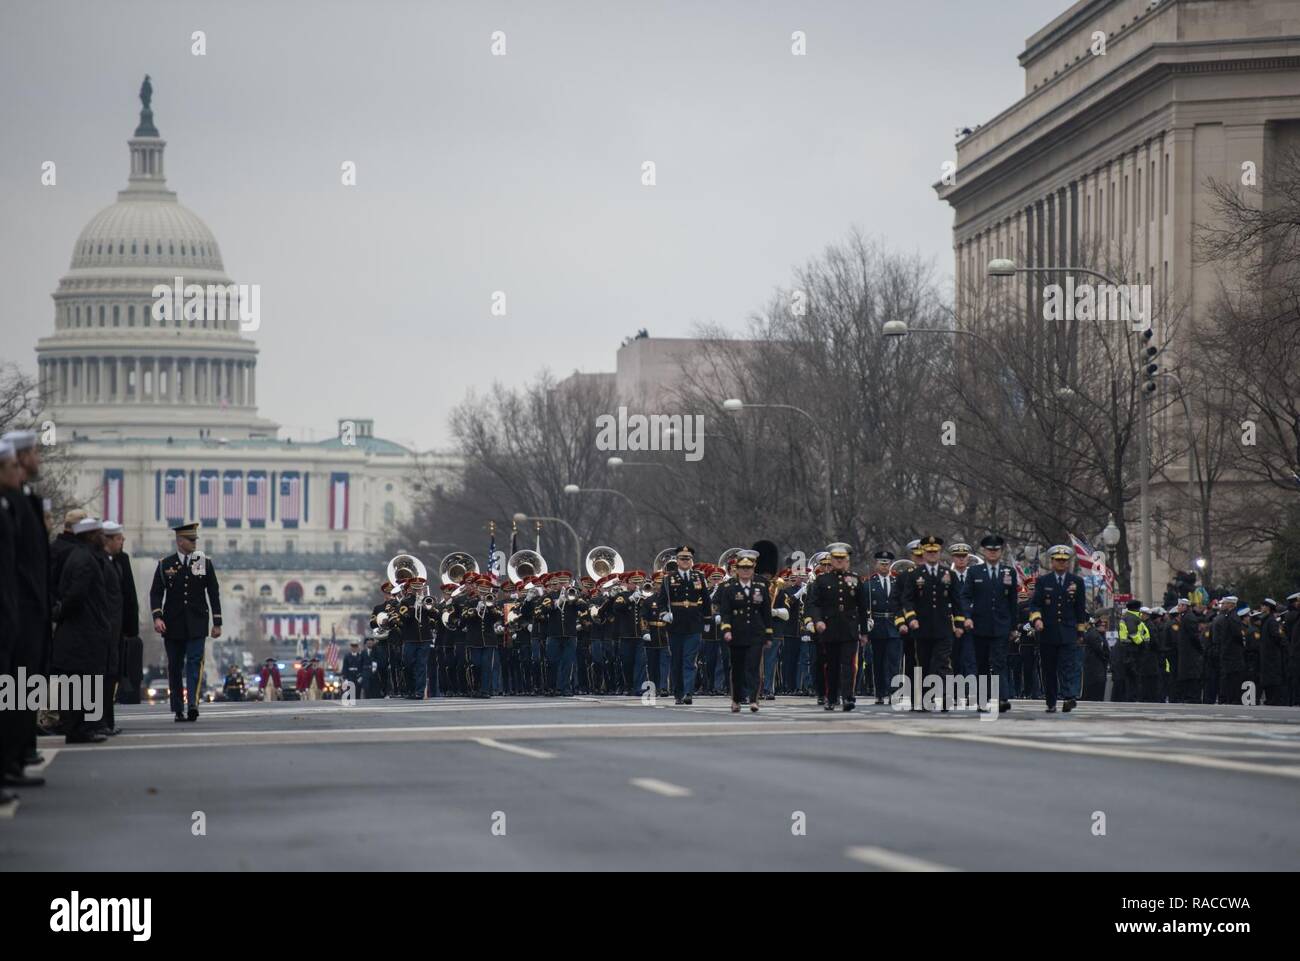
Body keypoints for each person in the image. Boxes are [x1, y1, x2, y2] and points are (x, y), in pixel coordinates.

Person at [1, 429, 50, 778]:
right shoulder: (11, 502)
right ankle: (11, 759)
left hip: (26, 608)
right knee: (15, 687)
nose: (36, 458)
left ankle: (18, 754)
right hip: (18, 607)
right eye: (32, 452)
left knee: (24, 686)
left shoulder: (23, 497)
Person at [149, 521, 222, 722]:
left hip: (197, 623)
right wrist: (157, 617)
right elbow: (156, 593)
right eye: (190, 540)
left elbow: (213, 592)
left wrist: (217, 621)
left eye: (195, 539)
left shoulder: (202, 562)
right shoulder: (166, 564)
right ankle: (178, 707)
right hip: (173, 624)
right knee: (174, 666)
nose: (194, 543)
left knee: (194, 663)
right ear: (180, 541)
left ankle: (192, 704)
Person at [51, 517, 110, 743]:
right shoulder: (85, 559)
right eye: (100, 533)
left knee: (79, 682)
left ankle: (79, 728)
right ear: (90, 536)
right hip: (83, 632)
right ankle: (80, 729)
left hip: (82, 631)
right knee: (82, 682)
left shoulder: (83, 556)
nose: (103, 537)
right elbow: (75, 595)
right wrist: (61, 612)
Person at [900, 536, 966, 711]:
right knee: (924, 664)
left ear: (939, 553)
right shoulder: (915, 574)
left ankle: (946, 697)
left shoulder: (948, 574)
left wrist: (959, 624)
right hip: (921, 629)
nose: (931, 555)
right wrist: (911, 618)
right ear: (924, 552)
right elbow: (907, 599)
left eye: (934, 552)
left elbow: (957, 601)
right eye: (928, 552)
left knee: (942, 663)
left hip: (943, 628)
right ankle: (924, 699)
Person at [805, 542, 871, 712]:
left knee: (848, 664)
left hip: (849, 628)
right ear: (831, 560)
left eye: (843, 558)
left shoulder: (855, 580)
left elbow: (863, 608)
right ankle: (831, 697)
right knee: (831, 665)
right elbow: (813, 604)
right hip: (829, 628)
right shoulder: (822, 580)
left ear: (847, 560)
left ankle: (848, 696)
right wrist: (817, 620)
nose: (840, 561)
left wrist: (864, 632)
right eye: (836, 558)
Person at [963, 534, 1018, 712]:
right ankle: (982, 699)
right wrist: (967, 616)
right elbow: (965, 596)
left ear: (1000, 552)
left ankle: (1002, 698)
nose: (993, 553)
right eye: (989, 550)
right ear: (984, 551)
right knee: (982, 664)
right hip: (979, 624)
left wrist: (1014, 626)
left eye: (996, 550)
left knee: (1000, 662)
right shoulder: (974, 572)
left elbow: (1013, 601)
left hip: (1001, 624)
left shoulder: (1008, 572)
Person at [1028, 544, 1086, 713]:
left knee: (1068, 666)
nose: (1061, 563)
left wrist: (1080, 631)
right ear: (1052, 561)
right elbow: (1035, 605)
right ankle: (1051, 701)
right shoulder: (1043, 581)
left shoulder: (1077, 582)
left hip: (1068, 631)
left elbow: (1080, 609)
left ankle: (1069, 697)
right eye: (1058, 560)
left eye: (1064, 561)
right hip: (1048, 632)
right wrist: (1037, 620)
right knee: (1049, 668)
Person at [716, 550, 773, 713]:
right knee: (738, 668)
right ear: (737, 569)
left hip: (756, 633)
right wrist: (726, 630)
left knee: (753, 668)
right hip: (737, 634)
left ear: (753, 569)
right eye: (742, 568)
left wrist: (768, 634)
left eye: (748, 568)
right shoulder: (730, 588)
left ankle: (754, 700)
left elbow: (766, 612)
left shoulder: (760, 587)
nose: (745, 571)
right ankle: (736, 700)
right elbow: (725, 612)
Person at [659, 546, 711, 706]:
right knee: (677, 660)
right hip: (675, 625)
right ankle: (678, 693)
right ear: (677, 560)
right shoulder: (669, 578)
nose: (685, 561)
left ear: (691, 560)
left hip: (693, 623)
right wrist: (664, 614)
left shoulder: (699, 577)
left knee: (690, 660)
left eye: (687, 558)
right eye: (682, 558)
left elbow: (706, 600)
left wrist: (708, 620)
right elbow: (661, 601)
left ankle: (689, 692)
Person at [104, 522, 143, 705]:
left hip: (117, 626)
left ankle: (105, 717)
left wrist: (131, 628)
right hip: (104, 624)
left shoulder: (122, 560)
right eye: (119, 538)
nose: (123, 541)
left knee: (114, 669)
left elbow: (129, 596)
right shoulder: (97, 561)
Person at [864, 550, 904, 705]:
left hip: (894, 625)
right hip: (877, 625)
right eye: (881, 563)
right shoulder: (869, 584)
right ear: (876, 564)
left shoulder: (897, 582)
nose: (884, 566)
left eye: (886, 564)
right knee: (878, 662)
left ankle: (894, 692)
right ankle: (880, 692)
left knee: (894, 661)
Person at [1213, 596, 1247, 705]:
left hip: (1233, 653)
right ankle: (1229, 698)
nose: (1224, 605)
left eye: (1226, 603)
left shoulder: (1233, 618)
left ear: (1232, 605)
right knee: (1228, 677)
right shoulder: (1229, 616)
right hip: (1229, 652)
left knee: (1233, 677)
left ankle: (1233, 699)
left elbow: (1237, 635)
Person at [1081, 612, 1110, 701]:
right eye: (1102, 625)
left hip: (1096, 670)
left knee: (1095, 694)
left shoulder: (1095, 634)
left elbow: (1102, 650)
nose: (1104, 627)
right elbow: (1102, 651)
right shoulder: (1094, 634)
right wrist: (1106, 657)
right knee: (1094, 694)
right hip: (1095, 670)